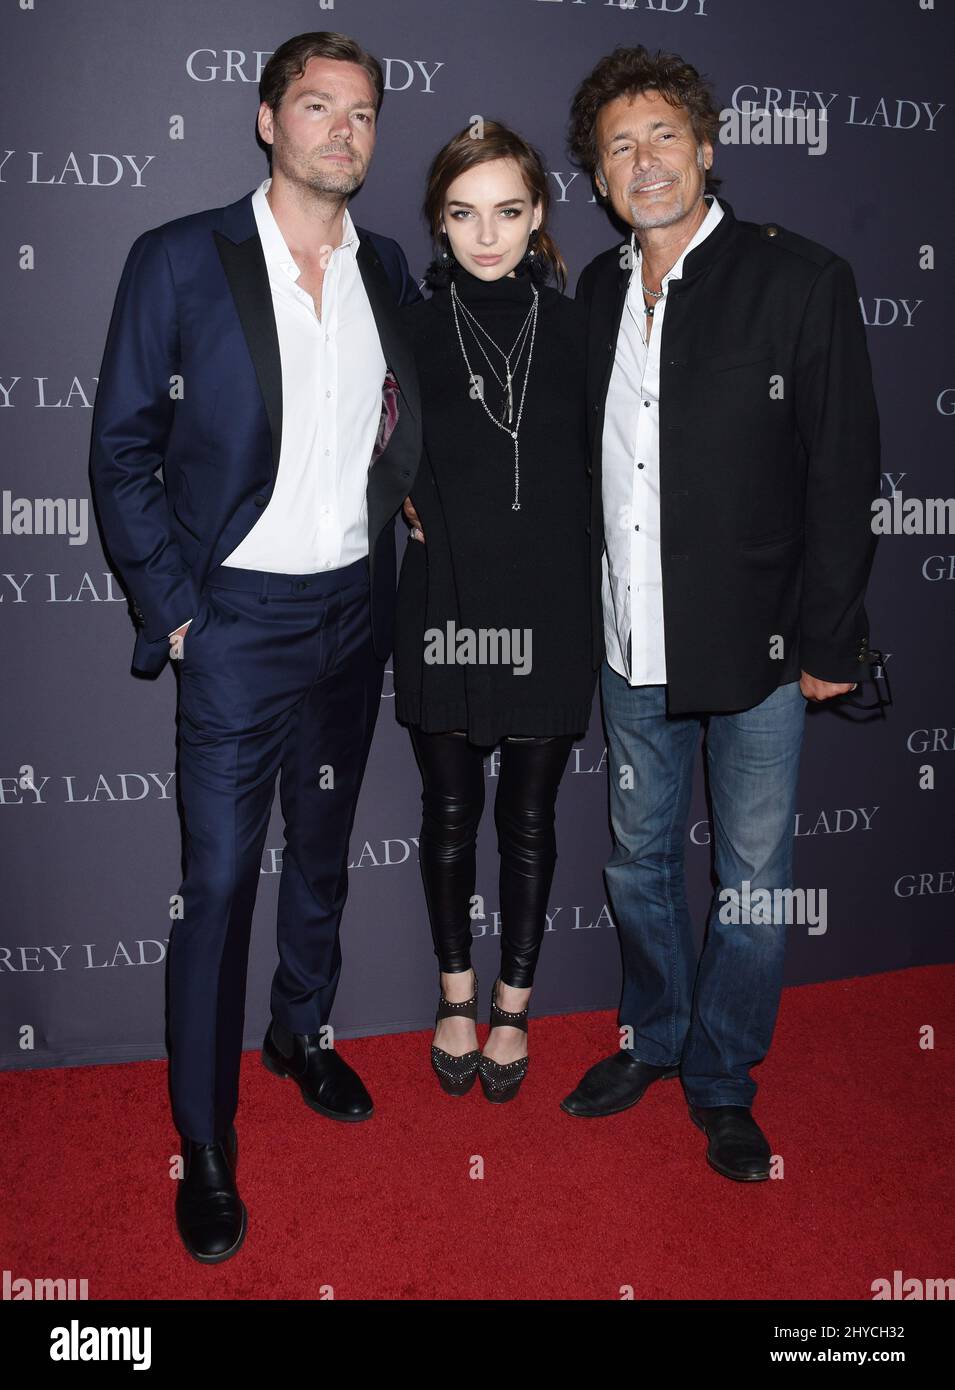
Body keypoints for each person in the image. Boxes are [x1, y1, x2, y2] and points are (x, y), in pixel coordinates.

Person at [88, 31, 422, 1261]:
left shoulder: (389, 265)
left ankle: (300, 1033)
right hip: (234, 624)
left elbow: (401, 424)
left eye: (365, 112)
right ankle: (208, 1142)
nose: (346, 129)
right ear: (268, 121)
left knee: (321, 857)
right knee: (221, 883)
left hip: (351, 615)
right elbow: (121, 447)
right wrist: (178, 612)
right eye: (319, 106)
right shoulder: (179, 258)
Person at [560, 46, 880, 1180]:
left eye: (661, 138)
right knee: (635, 862)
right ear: (597, 179)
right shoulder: (594, 290)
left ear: (705, 149)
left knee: (751, 876)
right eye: (618, 147)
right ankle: (652, 1037)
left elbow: (843, 471)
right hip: (628, 642)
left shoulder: (799, 279)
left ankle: (724, 1077)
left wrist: (830, 640)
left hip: (757, 652)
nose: (642, 163)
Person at [394, 123, 597, 1103]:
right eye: (464, 213)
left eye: (508, 211)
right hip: (447, 602)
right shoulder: (412, 326)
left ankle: (514, 1004)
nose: (487, 234)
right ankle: (455, 996)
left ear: (538, 215)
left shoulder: (577, 329)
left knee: (527, 817)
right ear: (440, 219)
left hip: (551, 606)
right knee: (447, 812)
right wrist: (388, 489)